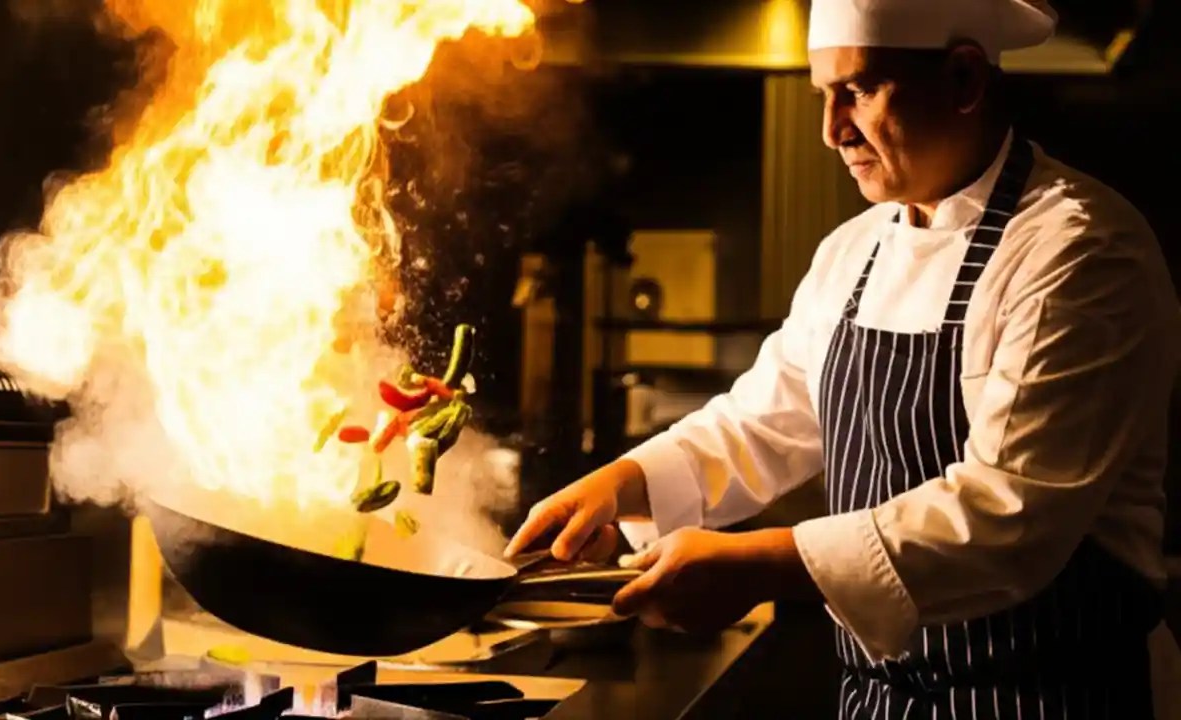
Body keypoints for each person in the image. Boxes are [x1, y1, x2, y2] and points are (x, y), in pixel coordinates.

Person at [505, 0, 1181, 716]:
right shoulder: (853, 252)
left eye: (857, 90)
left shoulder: (1078, 251)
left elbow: (1006, 517)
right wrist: (621, 482)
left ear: (962, 79)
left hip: (1050, 699)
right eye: (822, 96)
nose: (831, 131)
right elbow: (765, 421)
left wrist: (758, 565)